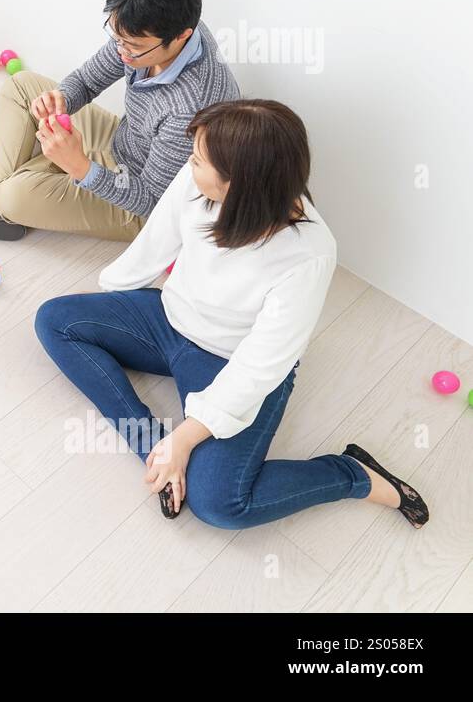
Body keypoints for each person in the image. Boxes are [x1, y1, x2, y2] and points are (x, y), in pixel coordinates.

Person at [35, 99, 428, 528]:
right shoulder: (198, 178)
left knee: (220, 505)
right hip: (167, 320)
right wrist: (114, 307)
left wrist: (188, 436)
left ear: (238, 185)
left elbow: (262, 365)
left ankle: (352, 474)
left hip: (230, 361)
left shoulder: (309, 254)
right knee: (55, 320)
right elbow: (157, 240)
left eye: (199, 161)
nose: (189, 165)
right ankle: (151, 444)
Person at [0, 0, 238, 242]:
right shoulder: (152, 30)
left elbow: (151, 200)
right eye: (116, 38)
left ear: (182, 36)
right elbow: (88, 80)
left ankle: (4, 201)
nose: (121, 52)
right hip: (126, 140)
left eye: (132, 46)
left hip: (145, 202)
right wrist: (61, 99)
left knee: (14, 195)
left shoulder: (191, 108)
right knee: (22, 86)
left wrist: (79, 166)